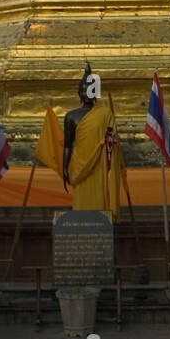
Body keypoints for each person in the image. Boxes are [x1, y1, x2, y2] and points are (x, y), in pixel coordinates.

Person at [62, 63, 124, 221]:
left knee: (99, 203)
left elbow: (114, 140)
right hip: (80, 168)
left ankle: (99, 234)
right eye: (83, 89)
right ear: (79, 92)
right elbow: (68, 145)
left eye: (90, 89)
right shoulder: (71, 116)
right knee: (82, 207)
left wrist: (109, 144)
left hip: (100, 166)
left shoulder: (105, 114)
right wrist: (64, 168)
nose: (86, 92)